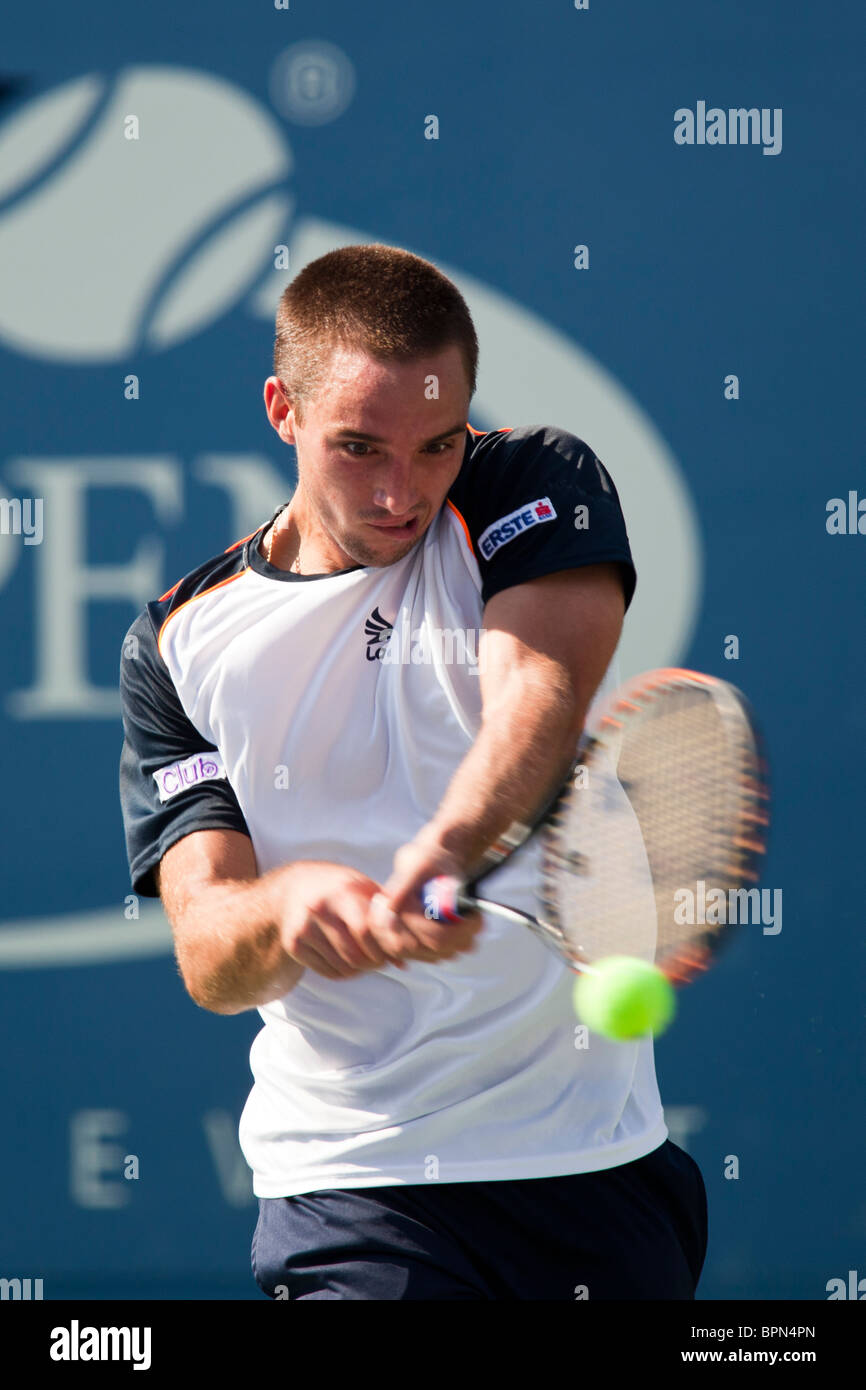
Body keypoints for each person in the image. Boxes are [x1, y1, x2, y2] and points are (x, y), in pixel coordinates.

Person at [118, 242, 707, 1300]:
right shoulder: (176, 644)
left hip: (591, 1170)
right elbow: (210, 956)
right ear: (280, 411)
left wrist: (442, 847)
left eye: (436, 444)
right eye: (358, 446)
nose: (401, 492)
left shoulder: (532, 482)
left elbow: (535, 699)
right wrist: (286, 909)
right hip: (352, 1188)